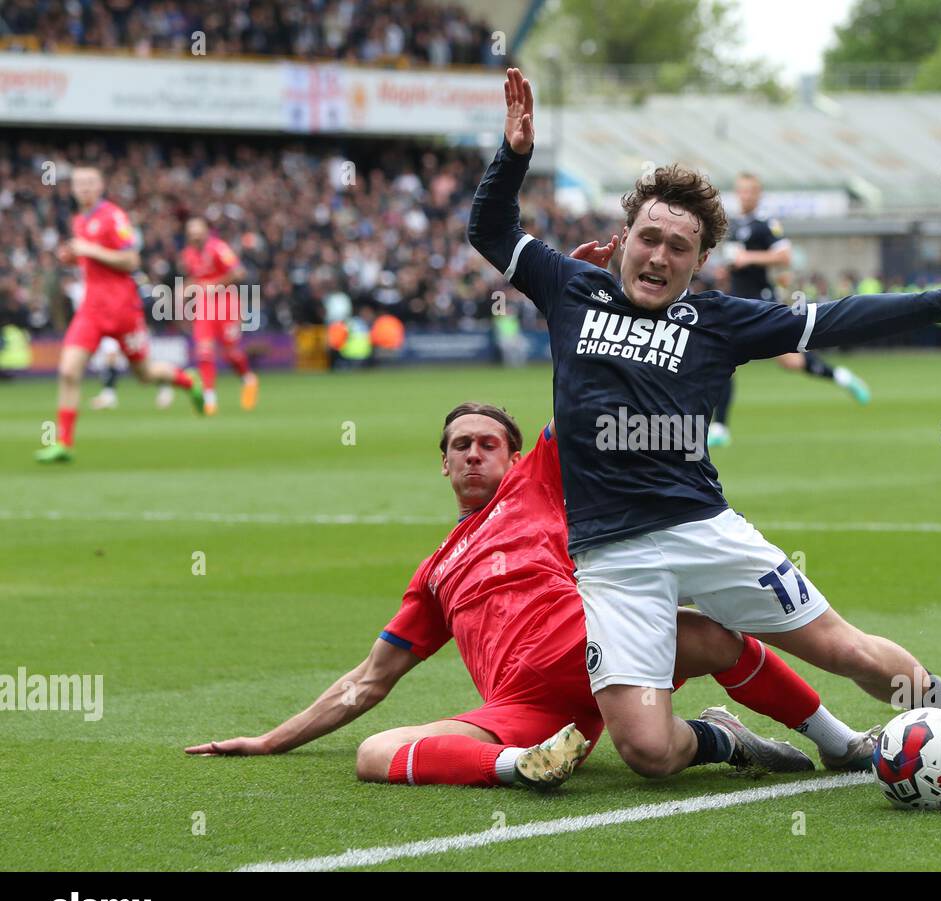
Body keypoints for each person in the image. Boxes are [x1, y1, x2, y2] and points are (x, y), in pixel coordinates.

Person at [467, 68, 941, 781]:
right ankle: (727, 737)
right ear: (623, 237)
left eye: (678, 247)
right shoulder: (569, 285)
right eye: (648, 237)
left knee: (849, 652)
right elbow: (489, 229)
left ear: (700, 262)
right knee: (648, 753)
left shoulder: (718, 319)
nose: (659, 256)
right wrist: (515, 156)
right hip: (611, 558)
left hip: (702, 529)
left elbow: (839, 318)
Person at [187, 400, 877, 788]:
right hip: (526, 710)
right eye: (459, 444)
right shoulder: (433, 573)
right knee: (375, 755)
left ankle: (839, 741)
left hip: (597, 652)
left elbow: (585, 397)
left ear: (515, 458)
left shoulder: (536, 485)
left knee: (710, 635)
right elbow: (367, 683)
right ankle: (535, 765)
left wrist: (590, 298)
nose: (473, 453)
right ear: (443, 461)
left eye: (489, 443)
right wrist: (271, 741)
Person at [36, 166, 203, 463]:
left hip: (123, 310)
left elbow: (130, 260)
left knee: (145, 374)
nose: (85, 188)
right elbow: (91, 261)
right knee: (68, 371)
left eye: (90, 182)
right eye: (79, 183)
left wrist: (89, 249)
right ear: (72, 189)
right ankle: (63, 443)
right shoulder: (79, 221)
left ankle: (188, 381)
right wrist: (75, 257)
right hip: (91, 311)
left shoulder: (113, 216)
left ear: (100, 186)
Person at [708, 172, 871, 448]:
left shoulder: (765, 225)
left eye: (750, 192)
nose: (745, 196)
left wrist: (749, 258)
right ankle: (721, 427)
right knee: (723, 358)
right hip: (736, 300)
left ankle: (841, 376)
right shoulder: (736, 226)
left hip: (760, 300)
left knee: (790, 360)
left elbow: (784, 256)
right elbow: (738, 263)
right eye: (741, 191)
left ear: (758, 195)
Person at [180, 217, 258, 415]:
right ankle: (209, 399)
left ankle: (248, 379)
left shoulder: (219, 248)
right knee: (204, 352)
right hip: (205, 305)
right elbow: (197, 278)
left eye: (198, 230)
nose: (195, 234)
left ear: (207, 231)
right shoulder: (188, 254)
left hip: (226, 302)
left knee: (231, 353)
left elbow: (238, 273)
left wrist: (214, 285)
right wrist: (186, 288)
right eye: (191, 231)